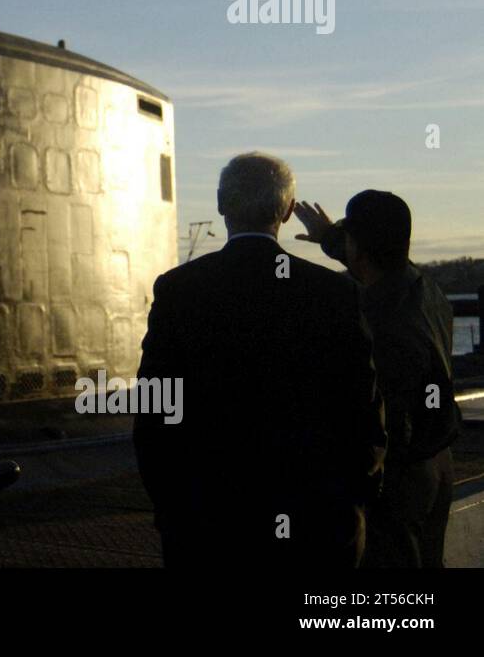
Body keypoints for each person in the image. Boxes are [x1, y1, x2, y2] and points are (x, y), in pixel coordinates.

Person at [134, 152, 385, 567]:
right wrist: (354, 501)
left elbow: (155, 411)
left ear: (219, 204)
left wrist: (171, 509)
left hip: (207, 526)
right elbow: (363, 408)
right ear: (288, 211)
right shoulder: (333, 294)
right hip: (316, 526)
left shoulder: (179, 291)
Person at [295, 191, 459, 567]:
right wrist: (330, 237)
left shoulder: (378, 322)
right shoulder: (422, 287)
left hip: (404, 473)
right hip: (439, 457)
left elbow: (387, 426)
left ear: (360, 250)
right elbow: (372, 260)